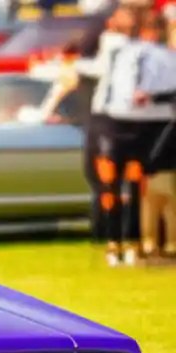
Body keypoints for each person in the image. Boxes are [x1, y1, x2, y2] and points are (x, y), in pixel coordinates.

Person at [99, 7, 174, 265]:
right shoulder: (119, 49)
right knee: (114, 187)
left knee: (134, 187)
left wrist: (152, 97)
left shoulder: (163, 56)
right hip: (118, 121)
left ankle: (133, 244)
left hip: (140, 124)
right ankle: (115, 244)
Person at [73, 4, 138, 256]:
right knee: (117, 182)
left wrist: (75, 65)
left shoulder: (115, 43)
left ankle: (113, 237)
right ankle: (121, 237)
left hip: (109, 119)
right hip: (120, 118)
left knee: (108, 181)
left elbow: (101, 69)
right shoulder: (121, 42)